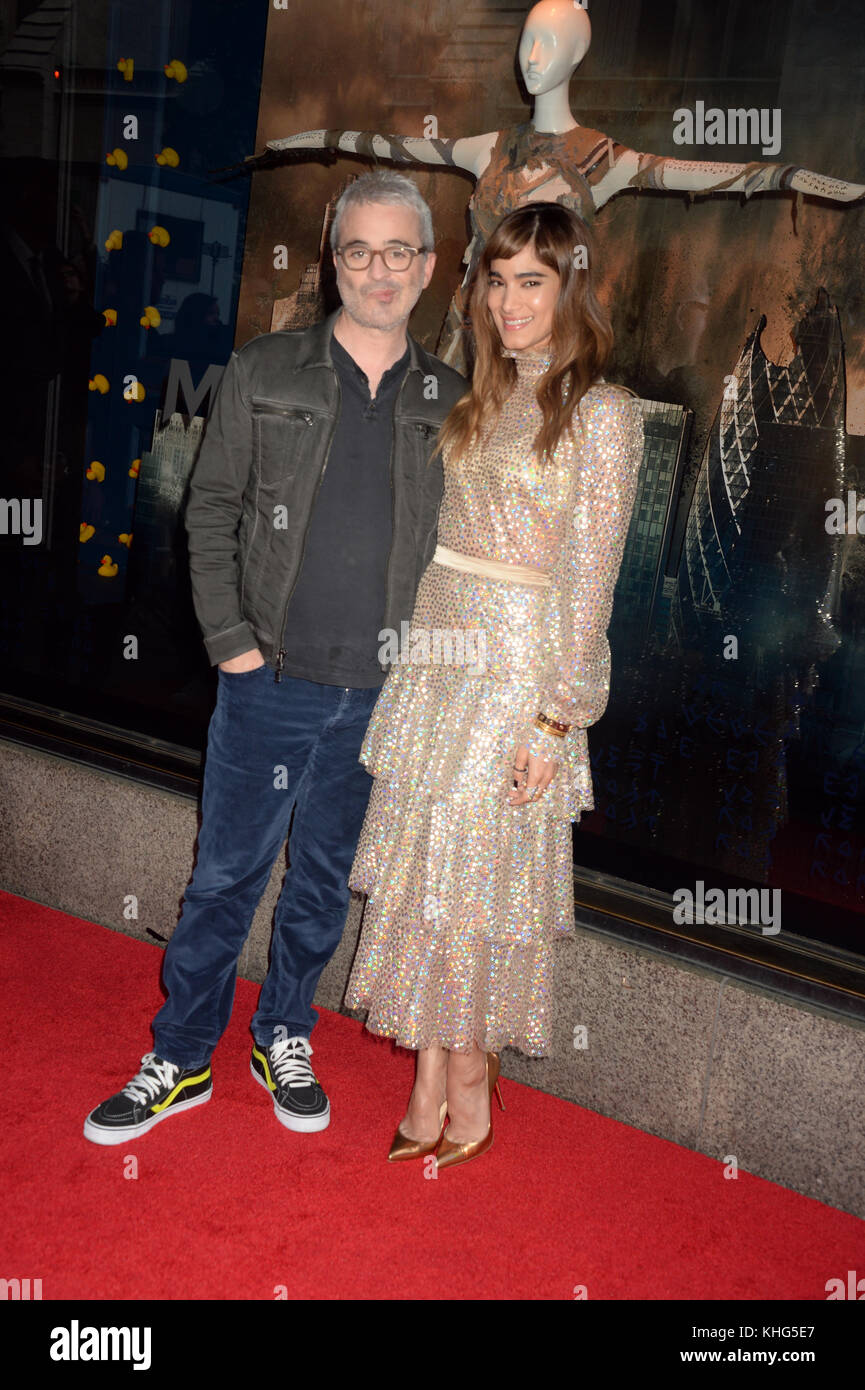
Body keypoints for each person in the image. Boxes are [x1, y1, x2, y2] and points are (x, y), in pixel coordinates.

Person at [83, 170, 465, 1145]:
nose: (377, 271)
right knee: (224, 878)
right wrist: (231, 647)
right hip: (272, 685)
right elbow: (207, 509)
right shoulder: (265, 369)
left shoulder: (450, 399)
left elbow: (461, 550)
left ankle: (283, 1032)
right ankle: (183, 1053)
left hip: (379, 695)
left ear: (425, 268)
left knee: (323, 883)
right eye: (357, 250)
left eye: (398, 252)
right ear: (334, 262)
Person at [344, 201, 644, 1169]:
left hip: (515, 667)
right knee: (425, 864)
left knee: (473, 878)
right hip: (438, 655)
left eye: (533, 281)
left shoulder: (600, 411)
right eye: (496, 278)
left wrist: (556, 720)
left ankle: (468, 1072)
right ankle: (429, 1068)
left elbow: (589, 579)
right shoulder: (480, 395)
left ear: (569, 288)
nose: (510, 301)